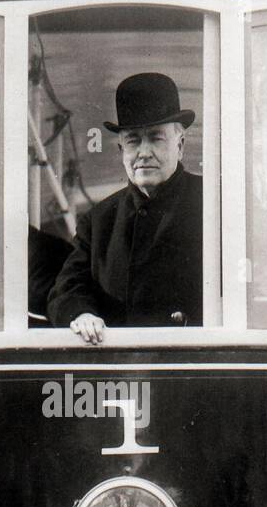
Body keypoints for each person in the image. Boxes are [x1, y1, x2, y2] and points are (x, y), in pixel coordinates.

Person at [47, 72, 203, 343]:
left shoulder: (212, 205)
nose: (143, 152)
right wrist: (82, 314)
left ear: (180, 145)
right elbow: (67, 289)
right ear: (121, 151)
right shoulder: (99, 221)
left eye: (156, 138)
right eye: (133, 140)